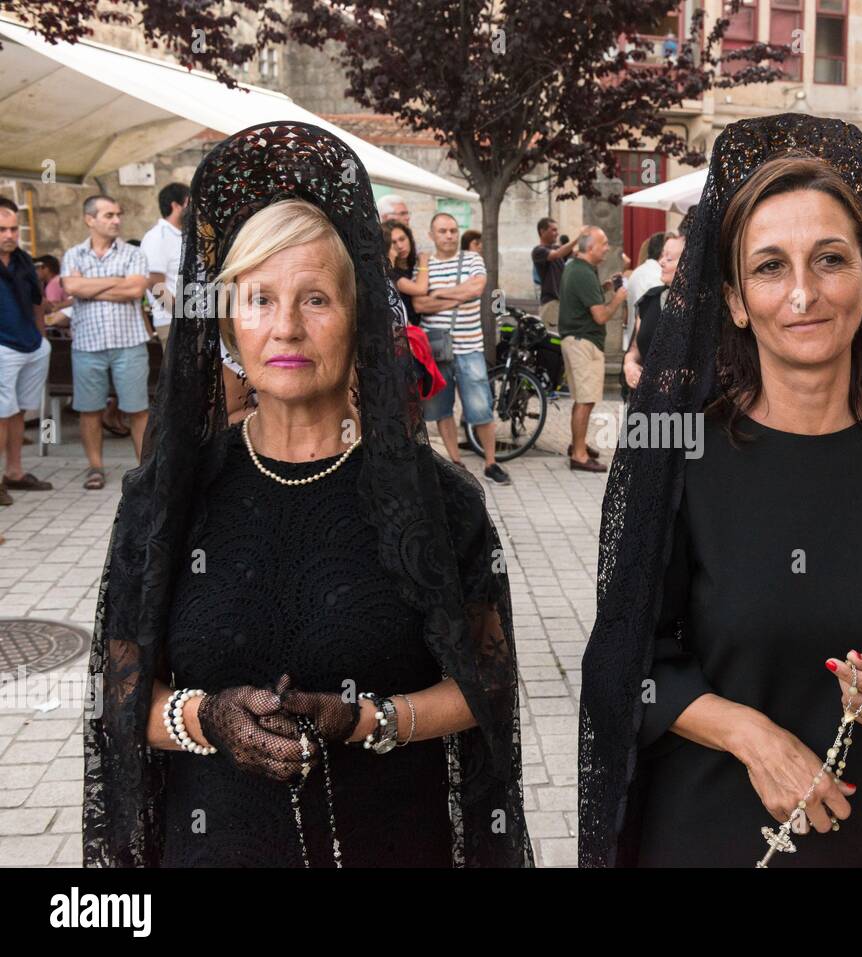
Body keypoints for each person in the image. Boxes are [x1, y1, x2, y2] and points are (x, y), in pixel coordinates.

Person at [82, 121, 531, 868]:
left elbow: (486, 686)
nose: (285, 326)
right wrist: (209, 717)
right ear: (228, 321)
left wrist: (366, 720)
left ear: (358, 321)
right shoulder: (170, 500)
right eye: (259, 298)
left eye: (316, 298)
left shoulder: (436, 503)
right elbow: (122, 692)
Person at [579, 114, 862, 868]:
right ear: (737, 299)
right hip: (710, 831)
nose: (804, 294)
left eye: (831, 260)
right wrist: (753, 736)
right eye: (771, 266)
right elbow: (628, 660)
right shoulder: (680, 450)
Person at [410, 212, 510, 484]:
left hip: (470, 346)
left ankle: (490, 462)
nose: (449, 235)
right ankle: (455, 463)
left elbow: (477, 288)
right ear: (432, 235)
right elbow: (419, 305)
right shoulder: (424, 264)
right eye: (442, 231)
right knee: (441, 409)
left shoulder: (472, 259)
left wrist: (439, 295)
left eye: (453, 230)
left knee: (481, 408)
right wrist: (457, 295)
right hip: (437, 347)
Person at [61, 195, 151, 488]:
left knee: (137, 409)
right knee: (89, 409)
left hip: (129, 343)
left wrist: (89, 288)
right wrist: (117, 282)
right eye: (109, 215)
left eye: (118, 214)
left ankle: (145, 471)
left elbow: (135, 289)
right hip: (87, 345)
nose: (116, 220)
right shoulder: (73, 255)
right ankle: (95, 469)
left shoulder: (133, 254)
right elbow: (71, 287)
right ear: (90, 219)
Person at [558, 226, 625, 472]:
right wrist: (619, 297)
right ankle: (579, 455)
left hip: (575, 340)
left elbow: (585, 300)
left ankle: (578, 444)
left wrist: (604, 288)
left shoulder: (576, 267)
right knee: (586, 401)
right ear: (590, 247)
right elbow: (600, 316)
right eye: (603, 243)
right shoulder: (583, 273)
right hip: (584, 342)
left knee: (581, 400)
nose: (607, 247)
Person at [0, 202, 53, 503]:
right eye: (2, 230)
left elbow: (37, 303)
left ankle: (14, 472)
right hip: (2, 347)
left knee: (19, 410)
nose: (9, 235)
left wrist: (42, 340)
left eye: (12, 229)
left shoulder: (23, 262)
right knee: (1, 415)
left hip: (31, 346)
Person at [621, 232, 684, 393]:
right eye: (662, 256)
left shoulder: (707, 308)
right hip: (646, 403)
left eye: (669, 259)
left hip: (691, 411)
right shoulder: (650, 299)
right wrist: (630, 364)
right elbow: (635, 348)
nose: (661, 262)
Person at [140, 182, 189, 357]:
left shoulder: (184, 235)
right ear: (175, 206)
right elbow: (155, 283)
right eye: (190, 203)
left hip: (191, 320)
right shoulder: (157, 236)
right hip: (173, 322)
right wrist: (183, 317)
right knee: (179, 381)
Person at [622, 231, 666, 353]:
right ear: (663, 253)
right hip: (646, 351)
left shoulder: (639, 272)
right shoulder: (656, 278)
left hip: (637, 346)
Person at [532, 217, 579, 329]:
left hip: (562, 303)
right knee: (551, 341)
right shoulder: (538, 251)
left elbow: (575, 254)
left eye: (557, 230)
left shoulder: (557, 248)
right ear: (542, 231)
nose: (557, 233)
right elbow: (556, 254)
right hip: (551, 303)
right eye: (553, 230)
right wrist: (578, 238)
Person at [382, 219, 423, 323]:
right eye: (393, 242)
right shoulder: (389, 273)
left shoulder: (416, 263)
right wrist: (424, 262)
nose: (400, 246)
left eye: (402, 239)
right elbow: (420, 289)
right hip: (408, 332)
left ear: (409, 238)